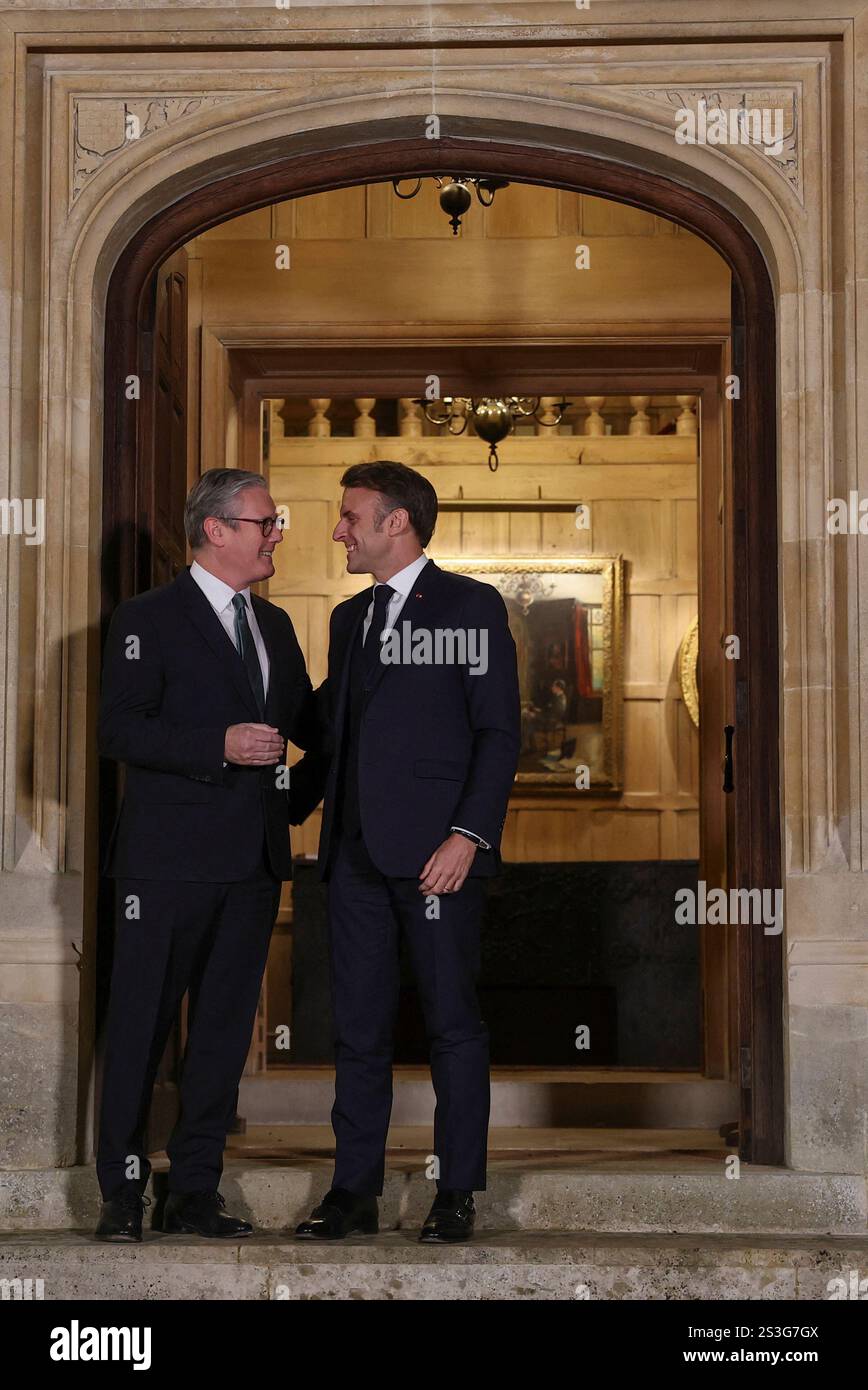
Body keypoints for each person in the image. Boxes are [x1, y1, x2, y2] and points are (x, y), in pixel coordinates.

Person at [292, 461, 520, 1243]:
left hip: (438, 857)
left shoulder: (472, 605)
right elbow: (329, 734)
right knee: (357, 1031)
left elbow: (497, 733)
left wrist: (468, 835)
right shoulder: (348, 621)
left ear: (396, 522)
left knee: (453, 1024)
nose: (337, 530)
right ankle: (351, 1193)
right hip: (352, 857)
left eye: (349, 516)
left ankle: (455, 1193)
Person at [94, 468, 317, 1242]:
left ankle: (193, 1193)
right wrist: (214, 746)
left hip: (252, 867)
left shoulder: (276, 627)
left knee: (222, 1039)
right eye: (266, 521)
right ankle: (121, 1197)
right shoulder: (145, 618)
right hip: (163, 866)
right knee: (138, 1031)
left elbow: (314, 729)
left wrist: (298, 804)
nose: (276, 534)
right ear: (216, 529)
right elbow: (117, 731)